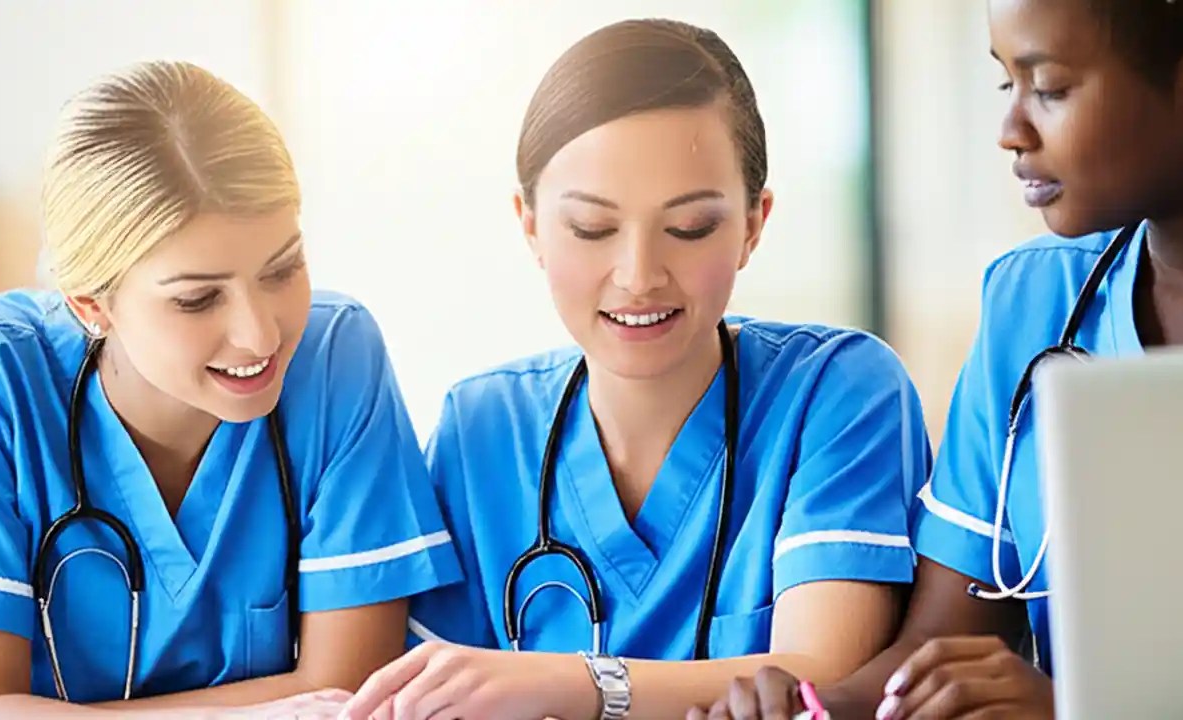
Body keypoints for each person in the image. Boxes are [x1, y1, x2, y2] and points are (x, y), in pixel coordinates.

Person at [339, 17, 933, 720]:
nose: (639, 275)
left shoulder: (839, 393)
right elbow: (433, 695)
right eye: (592, 229)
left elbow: (819, 680)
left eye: (690, 228)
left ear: (753, 223)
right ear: (529, 225)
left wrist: (573, 684)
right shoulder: (482, 429)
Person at [690, 0, 1183, 717]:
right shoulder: (1034, 302)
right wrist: (808, 707)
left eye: (1048, 88)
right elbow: (935, 651)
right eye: (1005, 85)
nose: (1010, 132)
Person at [0, 60, 462, 717]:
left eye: (283, 269)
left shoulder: (335, 355)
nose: (260, 336)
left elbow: (353, 691)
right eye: (198, 299)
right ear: (90, 304)